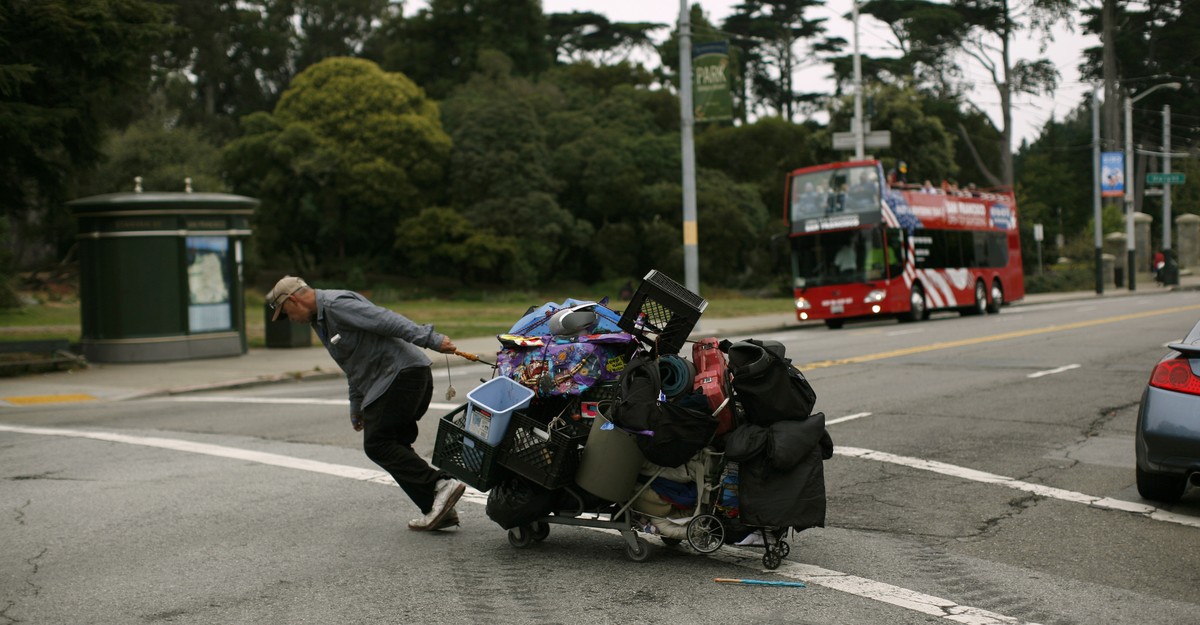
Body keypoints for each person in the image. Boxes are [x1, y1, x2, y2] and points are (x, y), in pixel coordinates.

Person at [267, 275, 466, 532]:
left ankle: (441, 485)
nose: (290, 319)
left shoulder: (337, 305)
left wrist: (431, 339)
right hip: (396, 379)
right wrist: (356, 404)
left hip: (400, 375)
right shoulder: (321, 321)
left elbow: (386, 320)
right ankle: (437, 509)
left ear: (294, 300)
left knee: (378, 444)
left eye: (286, 313)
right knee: (395, 444)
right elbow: (353, 363)